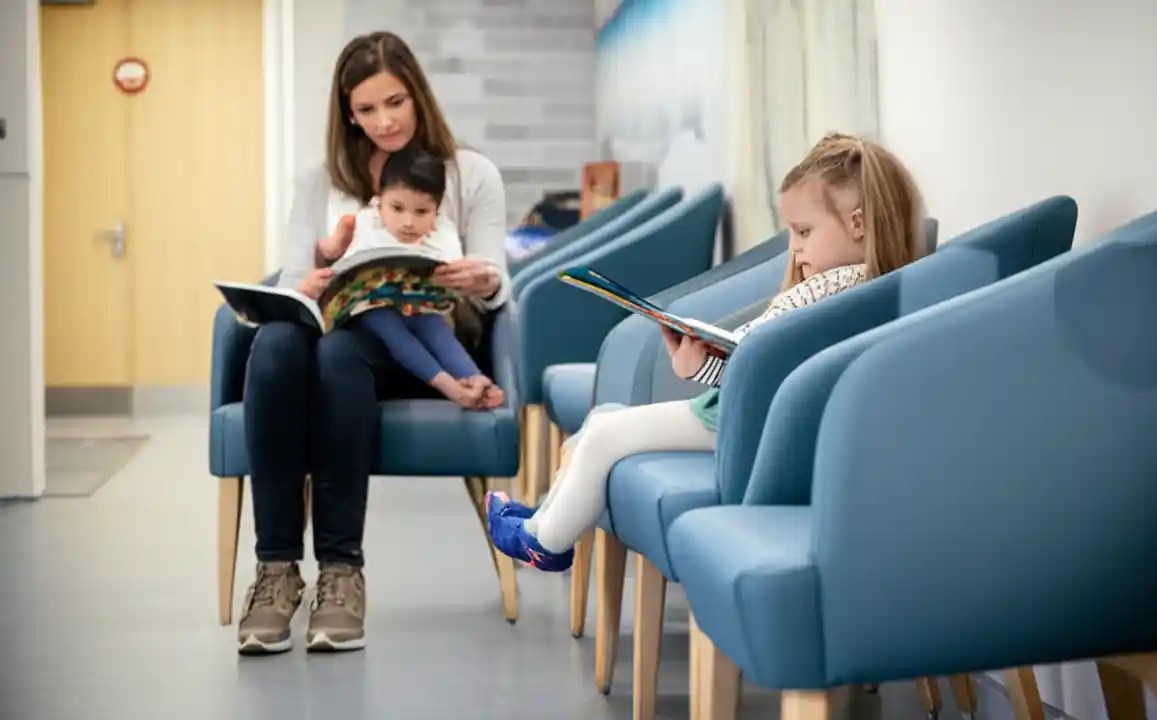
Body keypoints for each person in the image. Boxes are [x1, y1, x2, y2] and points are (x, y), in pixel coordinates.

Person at [486, 133, 925, 571]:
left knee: (604, 433)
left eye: (804, 232)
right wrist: (705, 362)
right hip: (745, 413)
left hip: (745, 424)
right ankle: (546, 516)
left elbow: (761, 357)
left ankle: (544, 541)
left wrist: (717, 351)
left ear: (858, 224)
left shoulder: (836, 288)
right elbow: (758, 366)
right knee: (603, 421)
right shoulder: (859, 287)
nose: (796, 248)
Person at [236, 31, 510, 655]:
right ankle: (275, 571)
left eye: (395, 102)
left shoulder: (472, 174)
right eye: (366, 109)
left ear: (418, 94)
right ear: (346, 113)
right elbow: (287, 279)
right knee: (279, 346)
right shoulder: (320, 181)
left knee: (339, 353)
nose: (384, 121)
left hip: (424, 338)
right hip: (339, 328)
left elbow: (498, 283)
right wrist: (308, 279)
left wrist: (482, 277)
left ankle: (340, 572)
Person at [345, 149, 505, 410]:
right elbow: (351, 265)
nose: (408, 222)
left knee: (431, 324)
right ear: (379, 201)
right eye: (396, 208)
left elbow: (451, 265)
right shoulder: (366, 223)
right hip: (371, 310)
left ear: (436, 210)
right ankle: (450, 387)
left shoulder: (441, 230)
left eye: (422, 212)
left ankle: (476, 380)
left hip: (419, 304)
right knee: (386, 321)